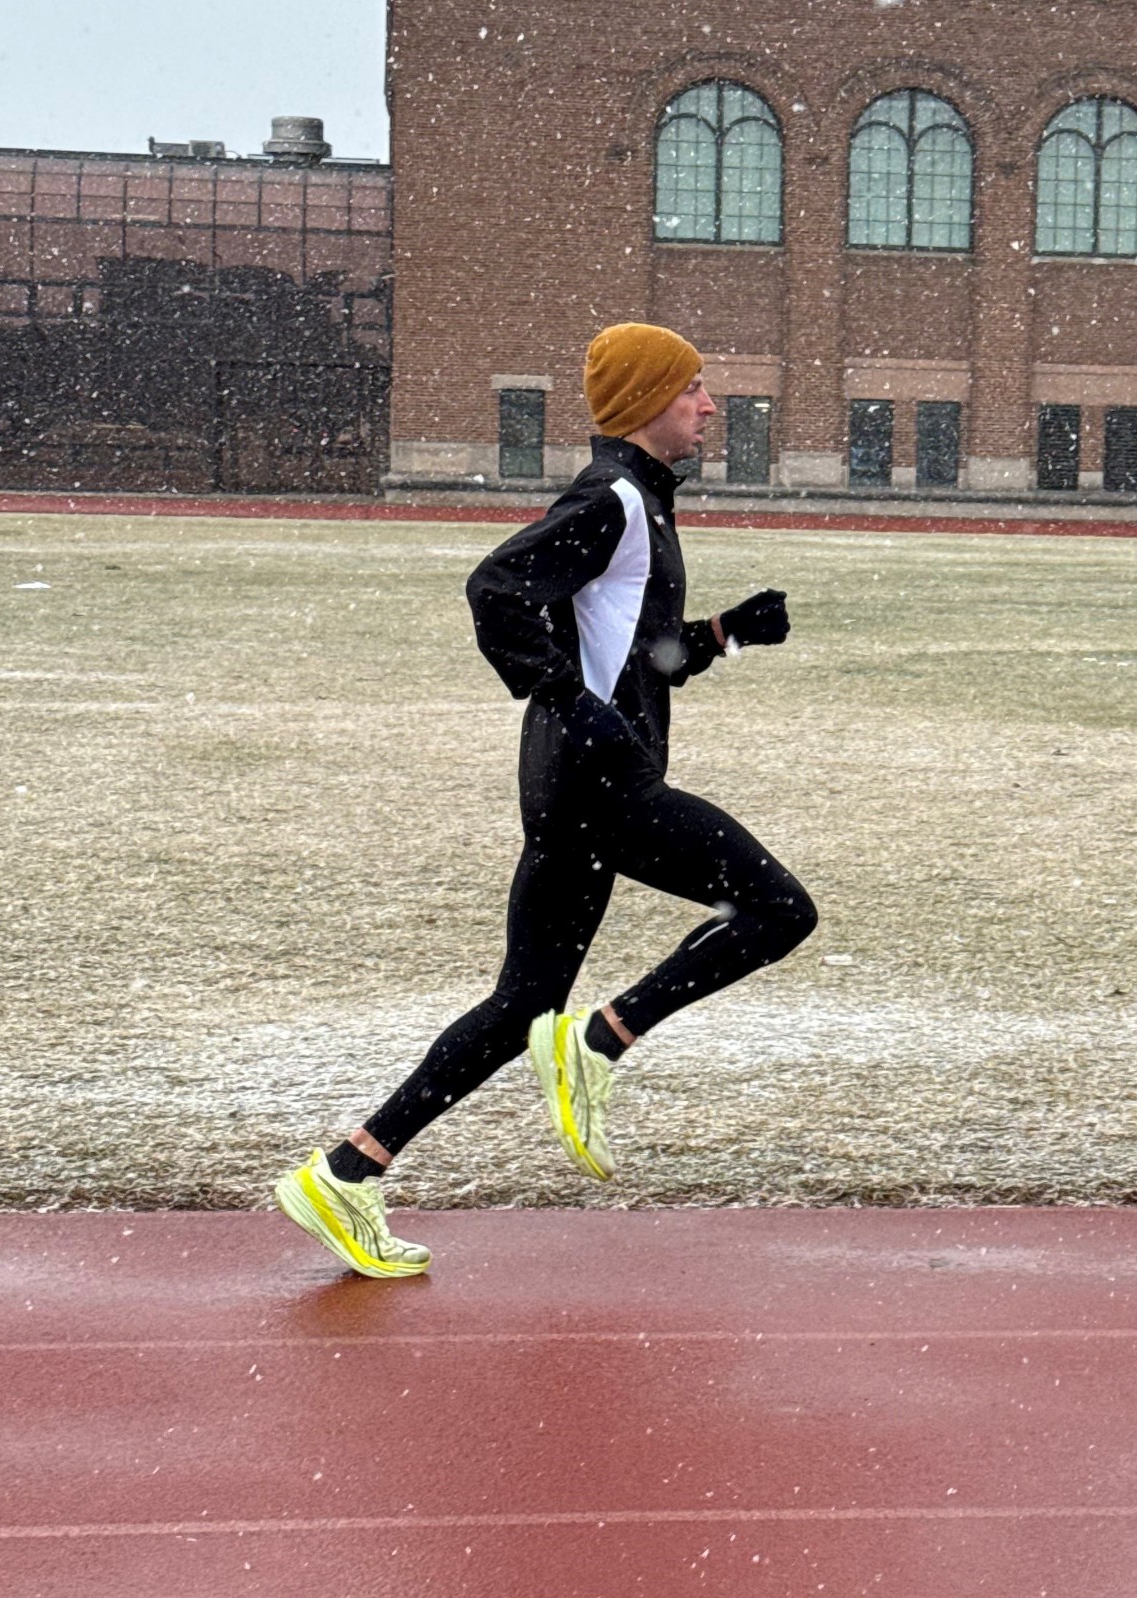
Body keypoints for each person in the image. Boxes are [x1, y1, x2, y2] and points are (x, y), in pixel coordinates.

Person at [274, 322, 818, 1278]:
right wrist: (567, 698)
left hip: (574, 785)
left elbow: (641, 655)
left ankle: (347, 1171)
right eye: (694, 389)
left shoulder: (643, 502)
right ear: (651, 401)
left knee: (519, 1001)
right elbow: (496, 589)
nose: (709, 406)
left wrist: (727, 634)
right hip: (601, 786)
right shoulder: (612, 499)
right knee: (778, 910)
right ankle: (600, 1042)